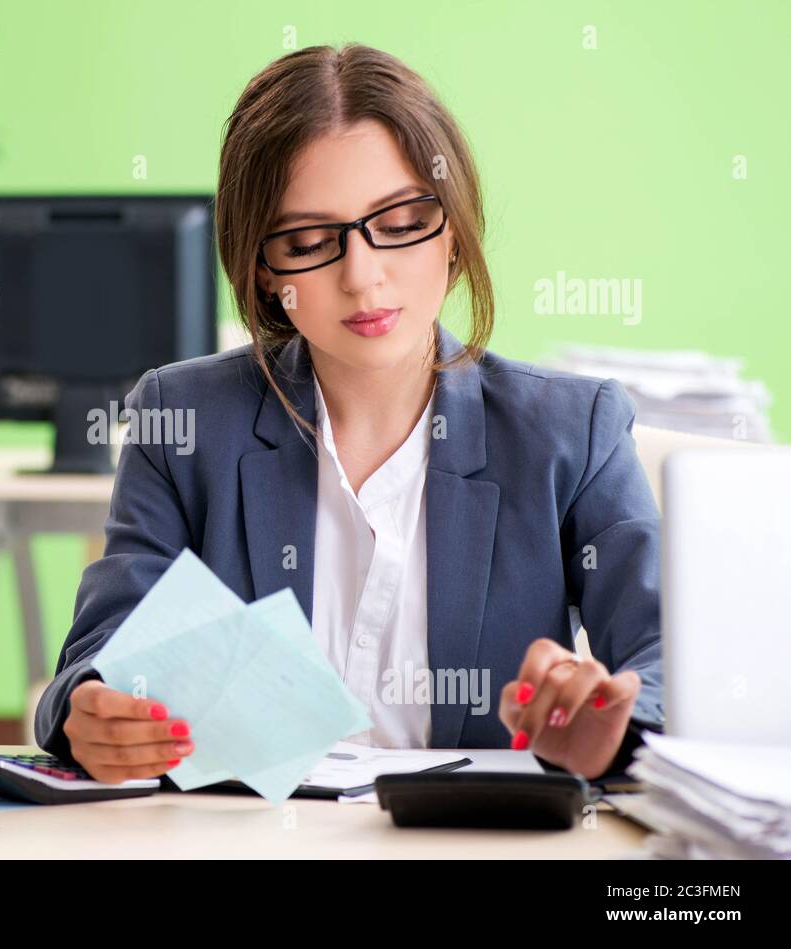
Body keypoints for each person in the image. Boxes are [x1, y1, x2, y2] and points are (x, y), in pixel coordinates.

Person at [34, 43, 664, 785]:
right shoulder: (182, 419)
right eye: (308, 241)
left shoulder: (570, 429)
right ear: (265, 271)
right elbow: (102, 651)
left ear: (453, 229)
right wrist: (92, 708)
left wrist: (616, 724)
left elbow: (670, 660)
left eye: (398, 223)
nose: (362, 277)